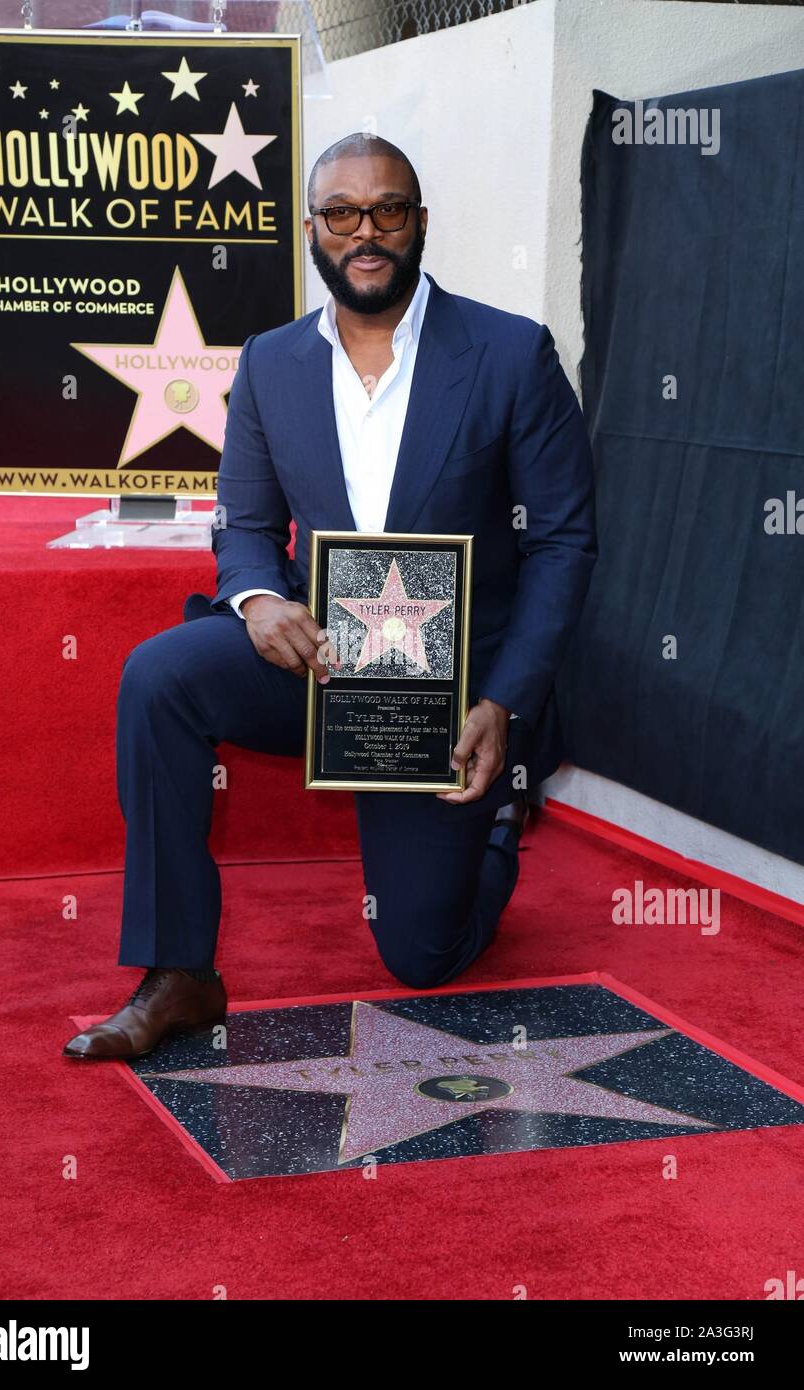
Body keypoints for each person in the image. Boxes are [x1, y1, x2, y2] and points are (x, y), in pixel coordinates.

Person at [63, 133, 597, 1061]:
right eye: (343, 214)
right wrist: (259, 599)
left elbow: (562, 542)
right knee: (160, 676)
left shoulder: (511, 353)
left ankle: (499, 820)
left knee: (422, 958)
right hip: (324, 655)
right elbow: (243, 522)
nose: (367, 233)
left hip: (452, 687)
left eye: (388, 210)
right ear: (312, 230)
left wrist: (503, 702)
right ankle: (179, 970)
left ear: (419, 223)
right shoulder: (271, 361)